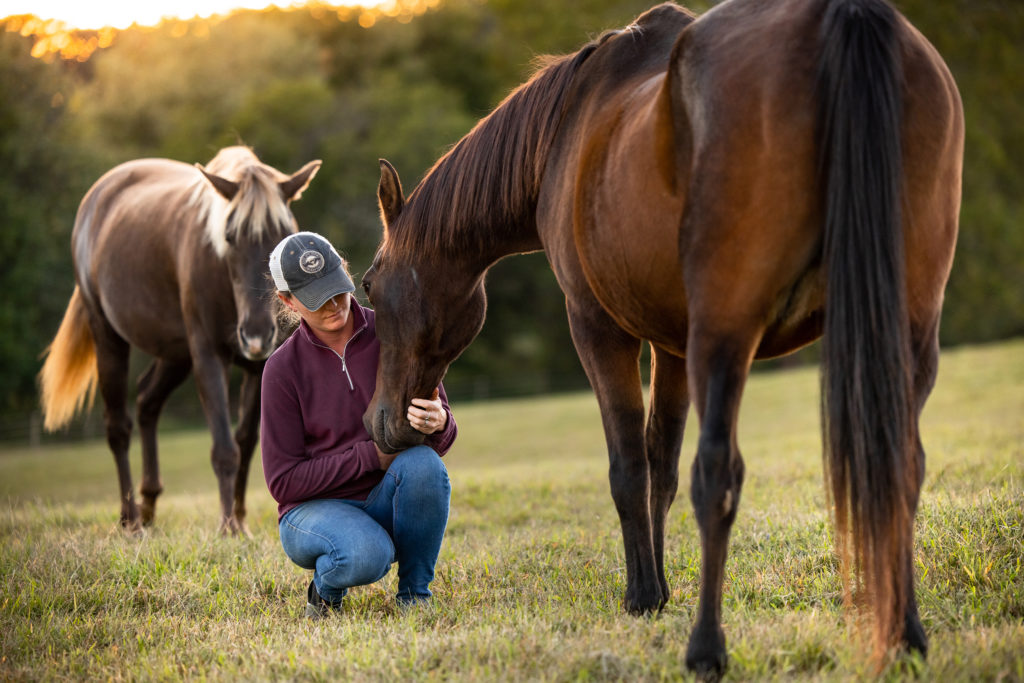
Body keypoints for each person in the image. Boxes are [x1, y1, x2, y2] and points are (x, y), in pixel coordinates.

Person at [260, 231, 456, 617]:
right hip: (313, 512)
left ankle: (415, 598)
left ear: (345, 272)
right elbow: (283, 482)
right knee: (368, 555)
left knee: (426, 466)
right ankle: (325, 590)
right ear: (288, 301)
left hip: (386, 495)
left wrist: (440, 422)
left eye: (337, 289)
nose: (334, 305)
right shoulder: (281, 370)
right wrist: (372, 457)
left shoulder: (395, 334)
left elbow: (442, 436)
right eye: (318, 299)